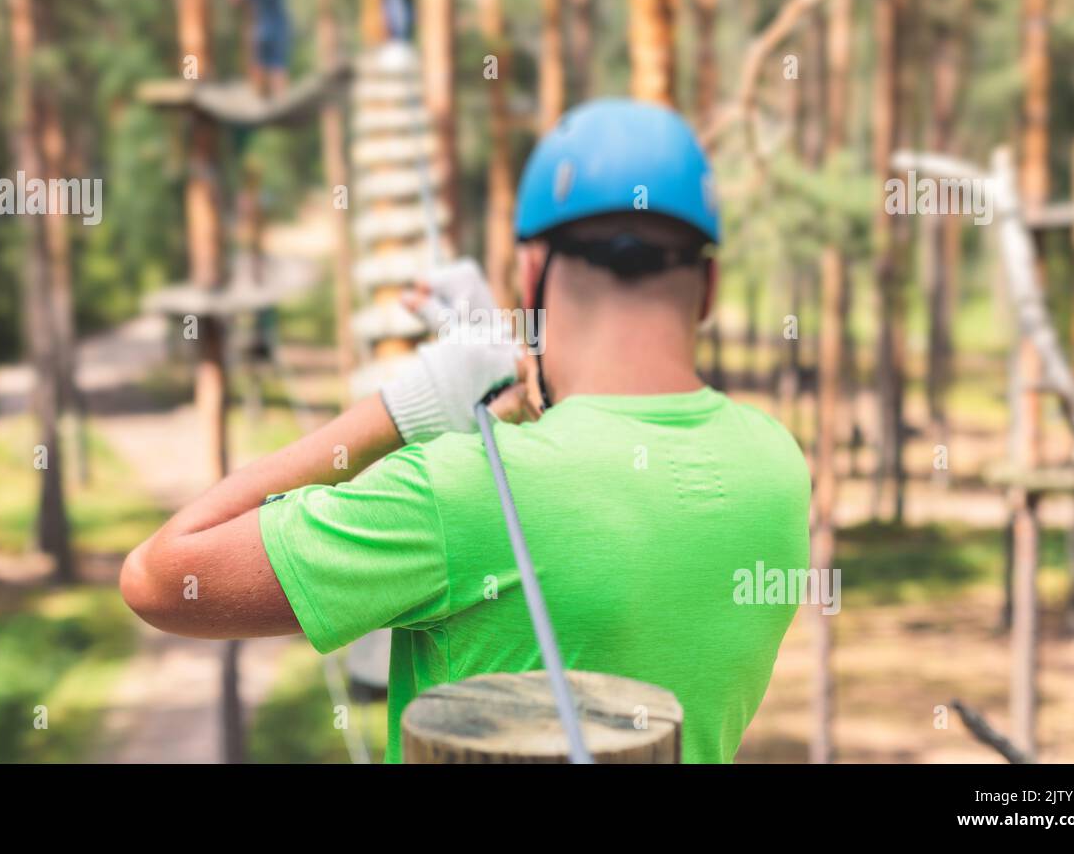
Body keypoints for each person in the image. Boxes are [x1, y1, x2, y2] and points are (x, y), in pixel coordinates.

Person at [120, 99, 811, 763]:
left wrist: (408, 405)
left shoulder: (460, 490)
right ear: (711, 285)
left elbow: (158, 575)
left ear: (533, 270)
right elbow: (598, 500)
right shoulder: (776, 468)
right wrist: (512, 398)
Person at [225, 0, 290, 98]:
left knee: (277, 66)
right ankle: (258, 98)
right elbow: (235, 0)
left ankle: (280, 99)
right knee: (259, 64)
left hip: (277, 28)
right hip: (262, 28)